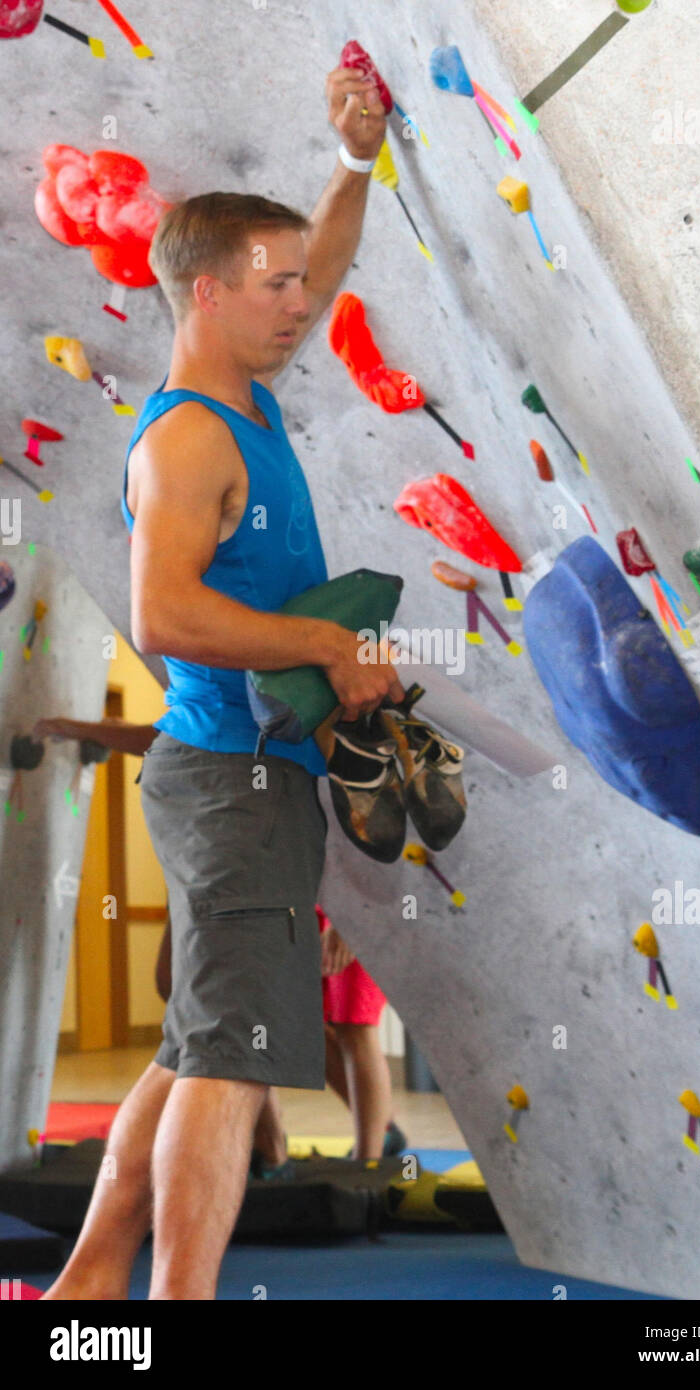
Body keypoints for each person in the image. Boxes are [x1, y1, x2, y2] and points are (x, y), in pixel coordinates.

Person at [40, 59, 405, 1302]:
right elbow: (165, 612)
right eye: (278, 285)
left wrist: (352, 161)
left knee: (197, 1046)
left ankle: (89, 1290)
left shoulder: (244, 388)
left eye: (300, 279)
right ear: (208, 293)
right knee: (234, 1059)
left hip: (249, 781)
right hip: (234, 786)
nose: (304, 300)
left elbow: (335, 259)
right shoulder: (192, 432)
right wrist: (325, 646)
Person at [33, 713, 407, 1164]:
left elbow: (368, 792)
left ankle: (366, 1155)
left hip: (321, 863)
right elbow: (169, 728)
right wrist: (84, 729)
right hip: (236, 852)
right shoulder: (214, 701)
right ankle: (274, 1145)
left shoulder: (307, 703)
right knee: (207, 992)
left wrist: (353, 916)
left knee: (348, 1020)